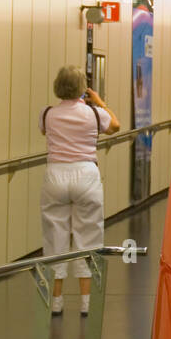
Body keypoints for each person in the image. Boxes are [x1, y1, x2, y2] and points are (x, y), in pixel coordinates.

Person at [37, 65, 120, 317]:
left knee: (55, 236)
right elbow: (115, 126)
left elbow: (44, 131)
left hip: (56, 175)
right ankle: (86, 302)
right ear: (82, 87)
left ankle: (57, 301)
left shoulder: (47, 113)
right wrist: (100, 102)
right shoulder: (94, 114)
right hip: (86, 174)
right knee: (89, 236)